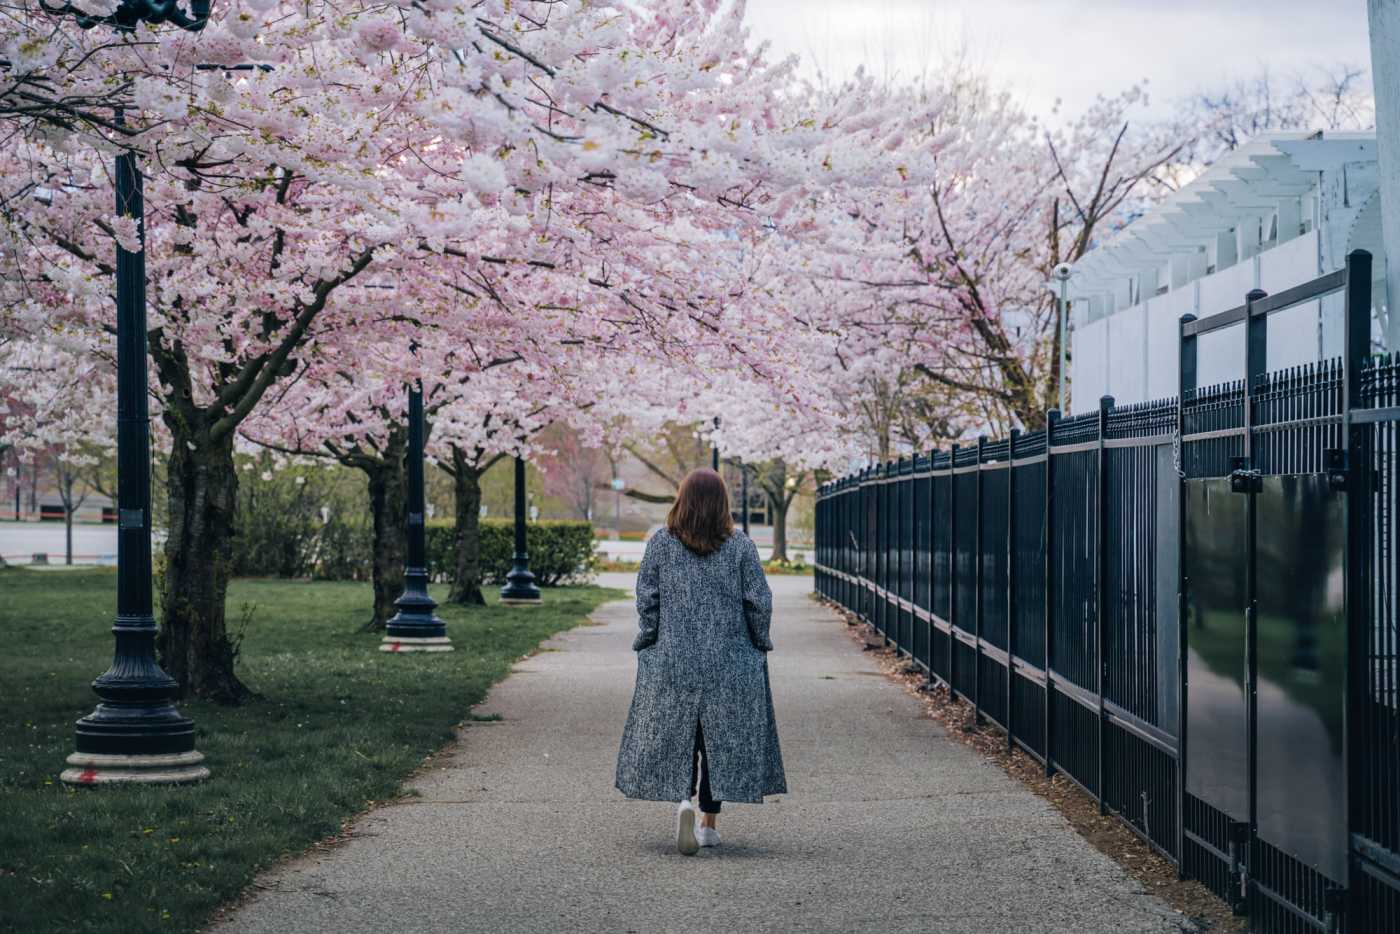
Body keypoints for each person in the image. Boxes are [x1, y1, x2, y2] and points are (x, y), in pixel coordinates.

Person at [614, 468, 787, 855]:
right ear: (722, 502)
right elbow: (759, 600)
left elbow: (647, 598)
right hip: (730, 661)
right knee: (719, 741)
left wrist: (649, 639)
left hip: (674, 659)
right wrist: (759, 641)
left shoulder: (661, 543)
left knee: (680, 735)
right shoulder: (740, 546)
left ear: (682, 499)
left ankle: (683, 802)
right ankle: (709, 823)